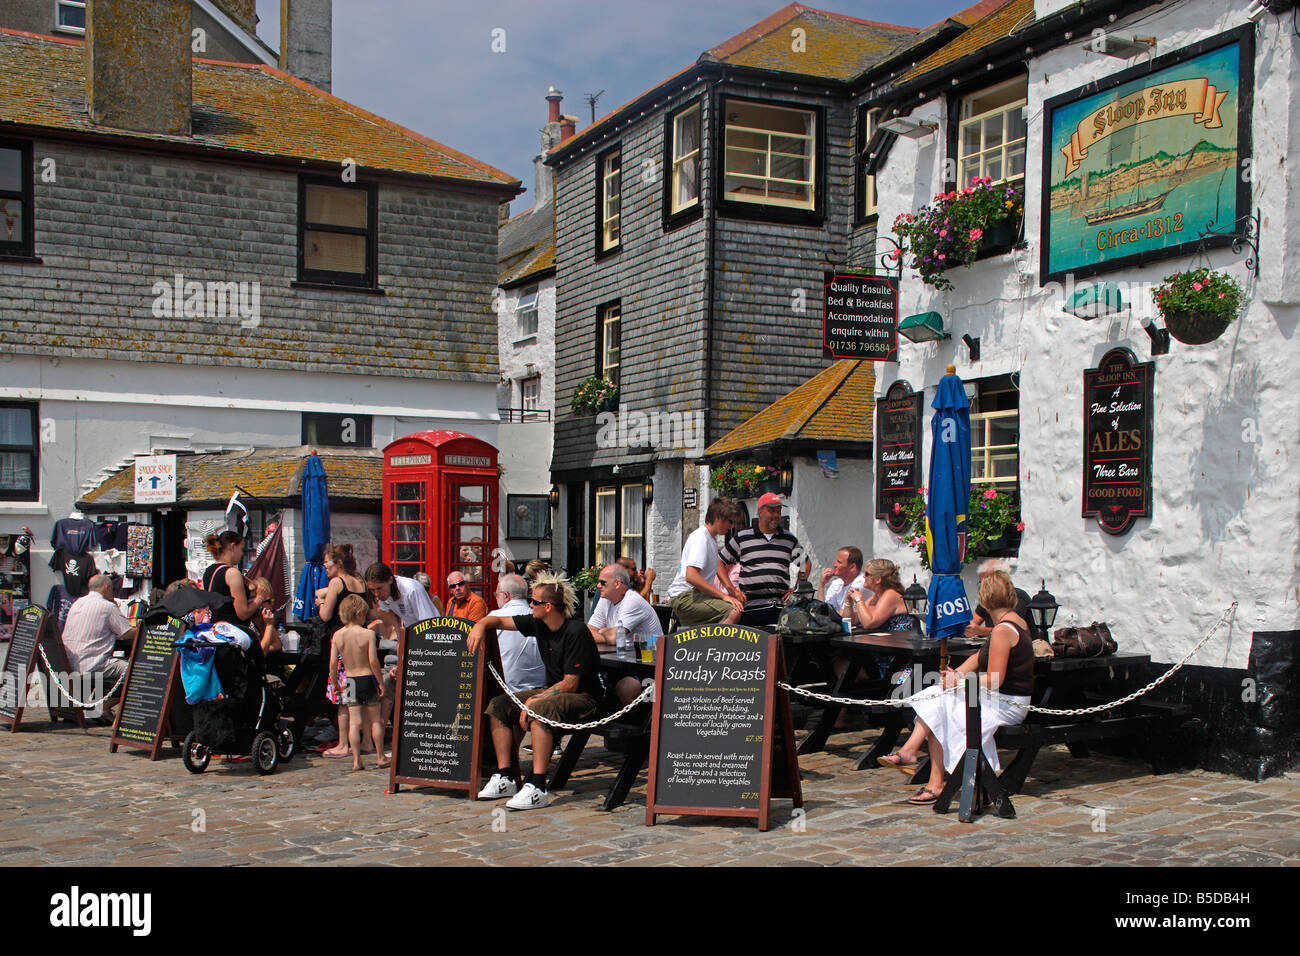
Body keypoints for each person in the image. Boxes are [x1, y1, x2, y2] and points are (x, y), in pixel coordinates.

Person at [892, 570, 1034, 805]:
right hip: (1004, 699)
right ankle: (917, 760)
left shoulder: (1001, 630)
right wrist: (957, 674)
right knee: (938, 699)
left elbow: (995, 679)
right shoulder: (1014, 622)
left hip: (1007, 703)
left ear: (985, 600)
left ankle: (924, 768)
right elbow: (980, 657)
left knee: (940, 704)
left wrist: (960, 682)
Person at [469, 573, 601, 811]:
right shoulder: (538, 623)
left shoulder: (576, 632)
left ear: (548, 607)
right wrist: (480, 625)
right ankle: (506, 776)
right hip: (554, 692)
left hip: (584, 697)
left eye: (534, 602)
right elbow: (499, 622)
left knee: (539, 709)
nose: (530, 605)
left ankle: (537, 787)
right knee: (499, 705)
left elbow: (570, 684)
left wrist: (533, 700)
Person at [314, 545, 372, 758]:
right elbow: (371, 610)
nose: (324, 567)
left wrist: (320, 602)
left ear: (338, 564)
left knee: (343, 700)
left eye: (327, 563)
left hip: (342, 646)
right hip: (362, 645)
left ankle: (343, 744)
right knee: (362, 698)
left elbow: (326, 616)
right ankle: (366, 741)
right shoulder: (360, 581)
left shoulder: (336, 582)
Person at [718, 492, 810, 626]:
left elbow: (805, 564)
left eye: (778, 511)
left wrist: (796, 588)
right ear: (760, 512)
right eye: (772, 511)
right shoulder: (742, 537)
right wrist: (731, 589)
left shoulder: (788, 539)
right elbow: (719, 562)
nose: (776, 515)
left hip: (779, 607)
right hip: (750, 607)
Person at [59, 573, 138, 721]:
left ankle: (99, 706)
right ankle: (99, 707)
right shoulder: (107, 607)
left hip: (70, 664)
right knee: (135, 670)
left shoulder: (77, 603)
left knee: (112, 661)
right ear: (107, 588)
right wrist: (143, 628)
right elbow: (128, 634)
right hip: (92, 665)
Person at [328, 595, 389, 772]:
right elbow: (373, 661)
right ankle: (380, 756)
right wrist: (380, 682)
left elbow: (333, 663)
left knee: (354, 723)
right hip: (367, 678)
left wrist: (334, 683)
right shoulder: (368, 633)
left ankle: (356, 760)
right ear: (360, 613)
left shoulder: (338, 635)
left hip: (350, 680)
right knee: (375, 721)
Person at [588, 563, 661, 705]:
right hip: (621, 662)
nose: (598, 586)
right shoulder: (605, 600)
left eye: (602, 582)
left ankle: (636, 724)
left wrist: (604, 631)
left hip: (647, 666)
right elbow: (589, 631)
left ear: (618, 584)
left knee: (626, 688)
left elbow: (615, 637)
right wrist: (607, 633)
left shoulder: (632, 601)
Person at [666, 498, 745, 627]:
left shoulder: (710, 539)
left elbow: (718, 564)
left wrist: (732, 590)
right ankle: (717, 646)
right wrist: (724, 596)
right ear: (718, 518)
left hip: (693, 596)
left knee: (734, 604)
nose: (731, 526)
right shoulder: (701, 539)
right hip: (686, 597)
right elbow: (691, 576)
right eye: (730, 521)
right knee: (733, 611)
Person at [201, 531, 266, 639]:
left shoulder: (209, 571)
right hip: (232, 634)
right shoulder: (232, 573)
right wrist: (259, 598)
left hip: (215, 632)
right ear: (232, 547)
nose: (242, 554)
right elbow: (243, 613)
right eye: (241, 549)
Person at [489, 574, 546, 692]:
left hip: (506, 690)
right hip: (540, 688)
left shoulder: (494, 617)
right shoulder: (540, 618)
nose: (495, 598)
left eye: (496, 594)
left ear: (506, 595)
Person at [966, 559, 1033, 638]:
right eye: (981, 582)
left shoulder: (1015, 597)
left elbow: (1010, 630)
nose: (982, 587)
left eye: (985, 582)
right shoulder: (989, 598)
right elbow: (972, 623)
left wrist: (981, 631)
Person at [845, 559, 914, 632]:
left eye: (867, 574)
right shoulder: (874, 598)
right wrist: (848, 602)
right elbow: (852, 621)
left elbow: (869, 623)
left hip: (900, 641)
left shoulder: (890, 594)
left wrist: (858, 600)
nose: (863, 576)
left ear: (877, 579)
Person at [818, 546, 865, 619]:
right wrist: (821, 585)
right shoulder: (836, 584)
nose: (834, 565)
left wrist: (831, 615)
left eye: (839, 562)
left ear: (852, 567)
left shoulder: (861, 583)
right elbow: (823, 612)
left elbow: (844, 617)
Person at [250, 578, 282, 654]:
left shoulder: (265, 618)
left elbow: (278, 645)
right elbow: (261, 651)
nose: (272, 605)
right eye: (268, 601)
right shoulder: (247, 619)